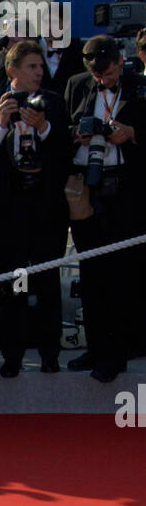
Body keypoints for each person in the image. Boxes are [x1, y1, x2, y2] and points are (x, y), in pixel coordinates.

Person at [0, 40, 70, 377]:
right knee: (15, 284)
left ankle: (49, 353)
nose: (39, 73)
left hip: (46, 210)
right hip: (10, 212)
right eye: (32, 67)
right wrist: (1, 123)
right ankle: (13, 354)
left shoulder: (55, 104)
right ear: (12, 70)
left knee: (46, 282)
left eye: (41, 67)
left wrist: (43, 127)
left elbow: (66, 154)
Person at [64, 35, 146, 382]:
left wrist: (132, 133)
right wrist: (76, 135)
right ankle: (95, 347)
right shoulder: (77, 85)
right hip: (86, 188)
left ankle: (118, 351)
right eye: (97, 75)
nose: (104, 79)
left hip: (126, 189)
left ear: (120, 61)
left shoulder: (139, 86)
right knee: (92, 272)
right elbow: (62, 130)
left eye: (109, 72)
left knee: (121, 275)